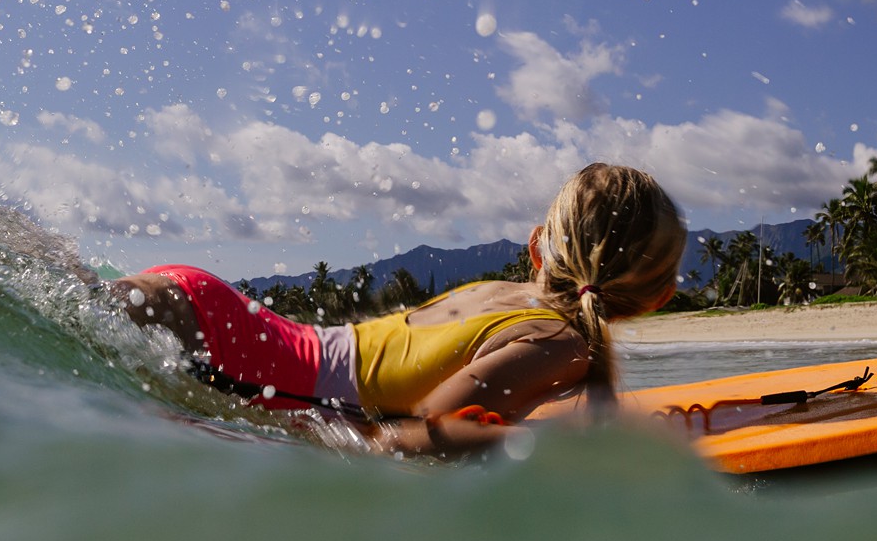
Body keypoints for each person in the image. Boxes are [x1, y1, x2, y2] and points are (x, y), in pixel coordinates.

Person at [109, 162, 685, 457]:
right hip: (231, 358)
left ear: (537, 245)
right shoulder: (562, 344)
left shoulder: (499, 294)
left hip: (211, 308)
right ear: (662, 295)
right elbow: (414, 436)